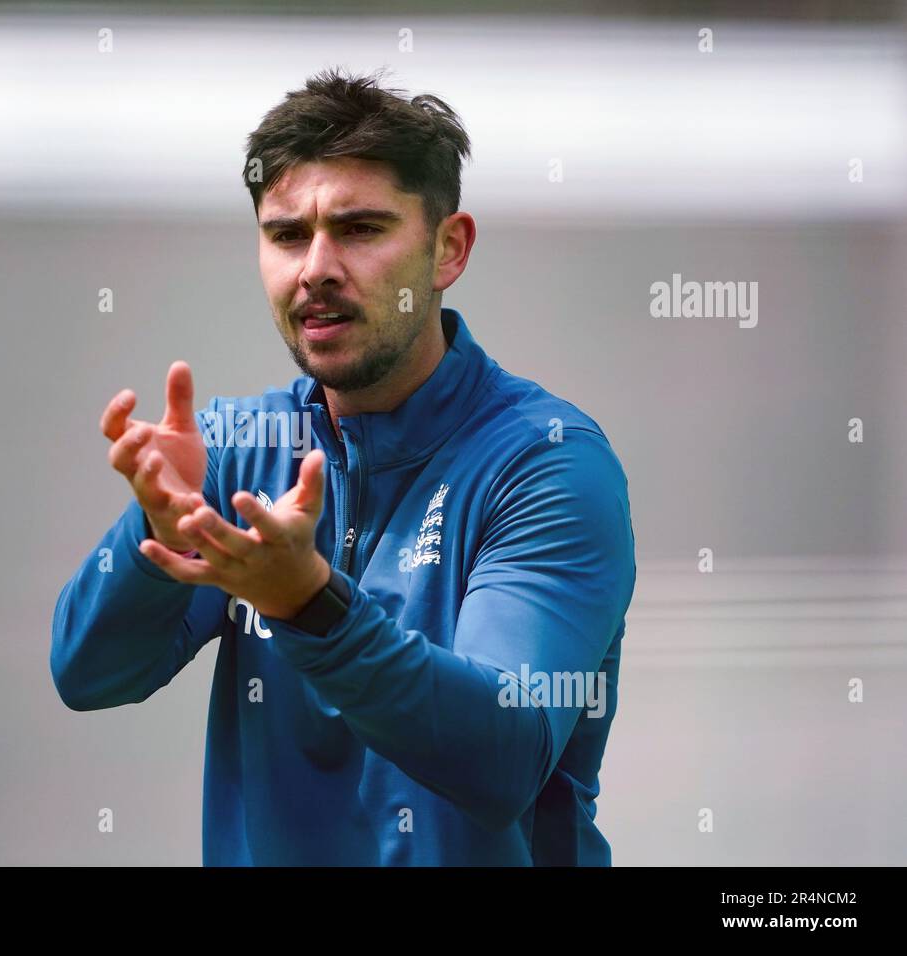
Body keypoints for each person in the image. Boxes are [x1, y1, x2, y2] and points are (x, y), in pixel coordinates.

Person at [51, 67, 637, 865]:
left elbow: (503, 752)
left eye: (360, 229)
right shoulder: (238, 449)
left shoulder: (546, 465)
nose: (315, 268)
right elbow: (89, 675)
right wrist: (154, 535)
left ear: (448, 249)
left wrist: (310, 606)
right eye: (287, 235)